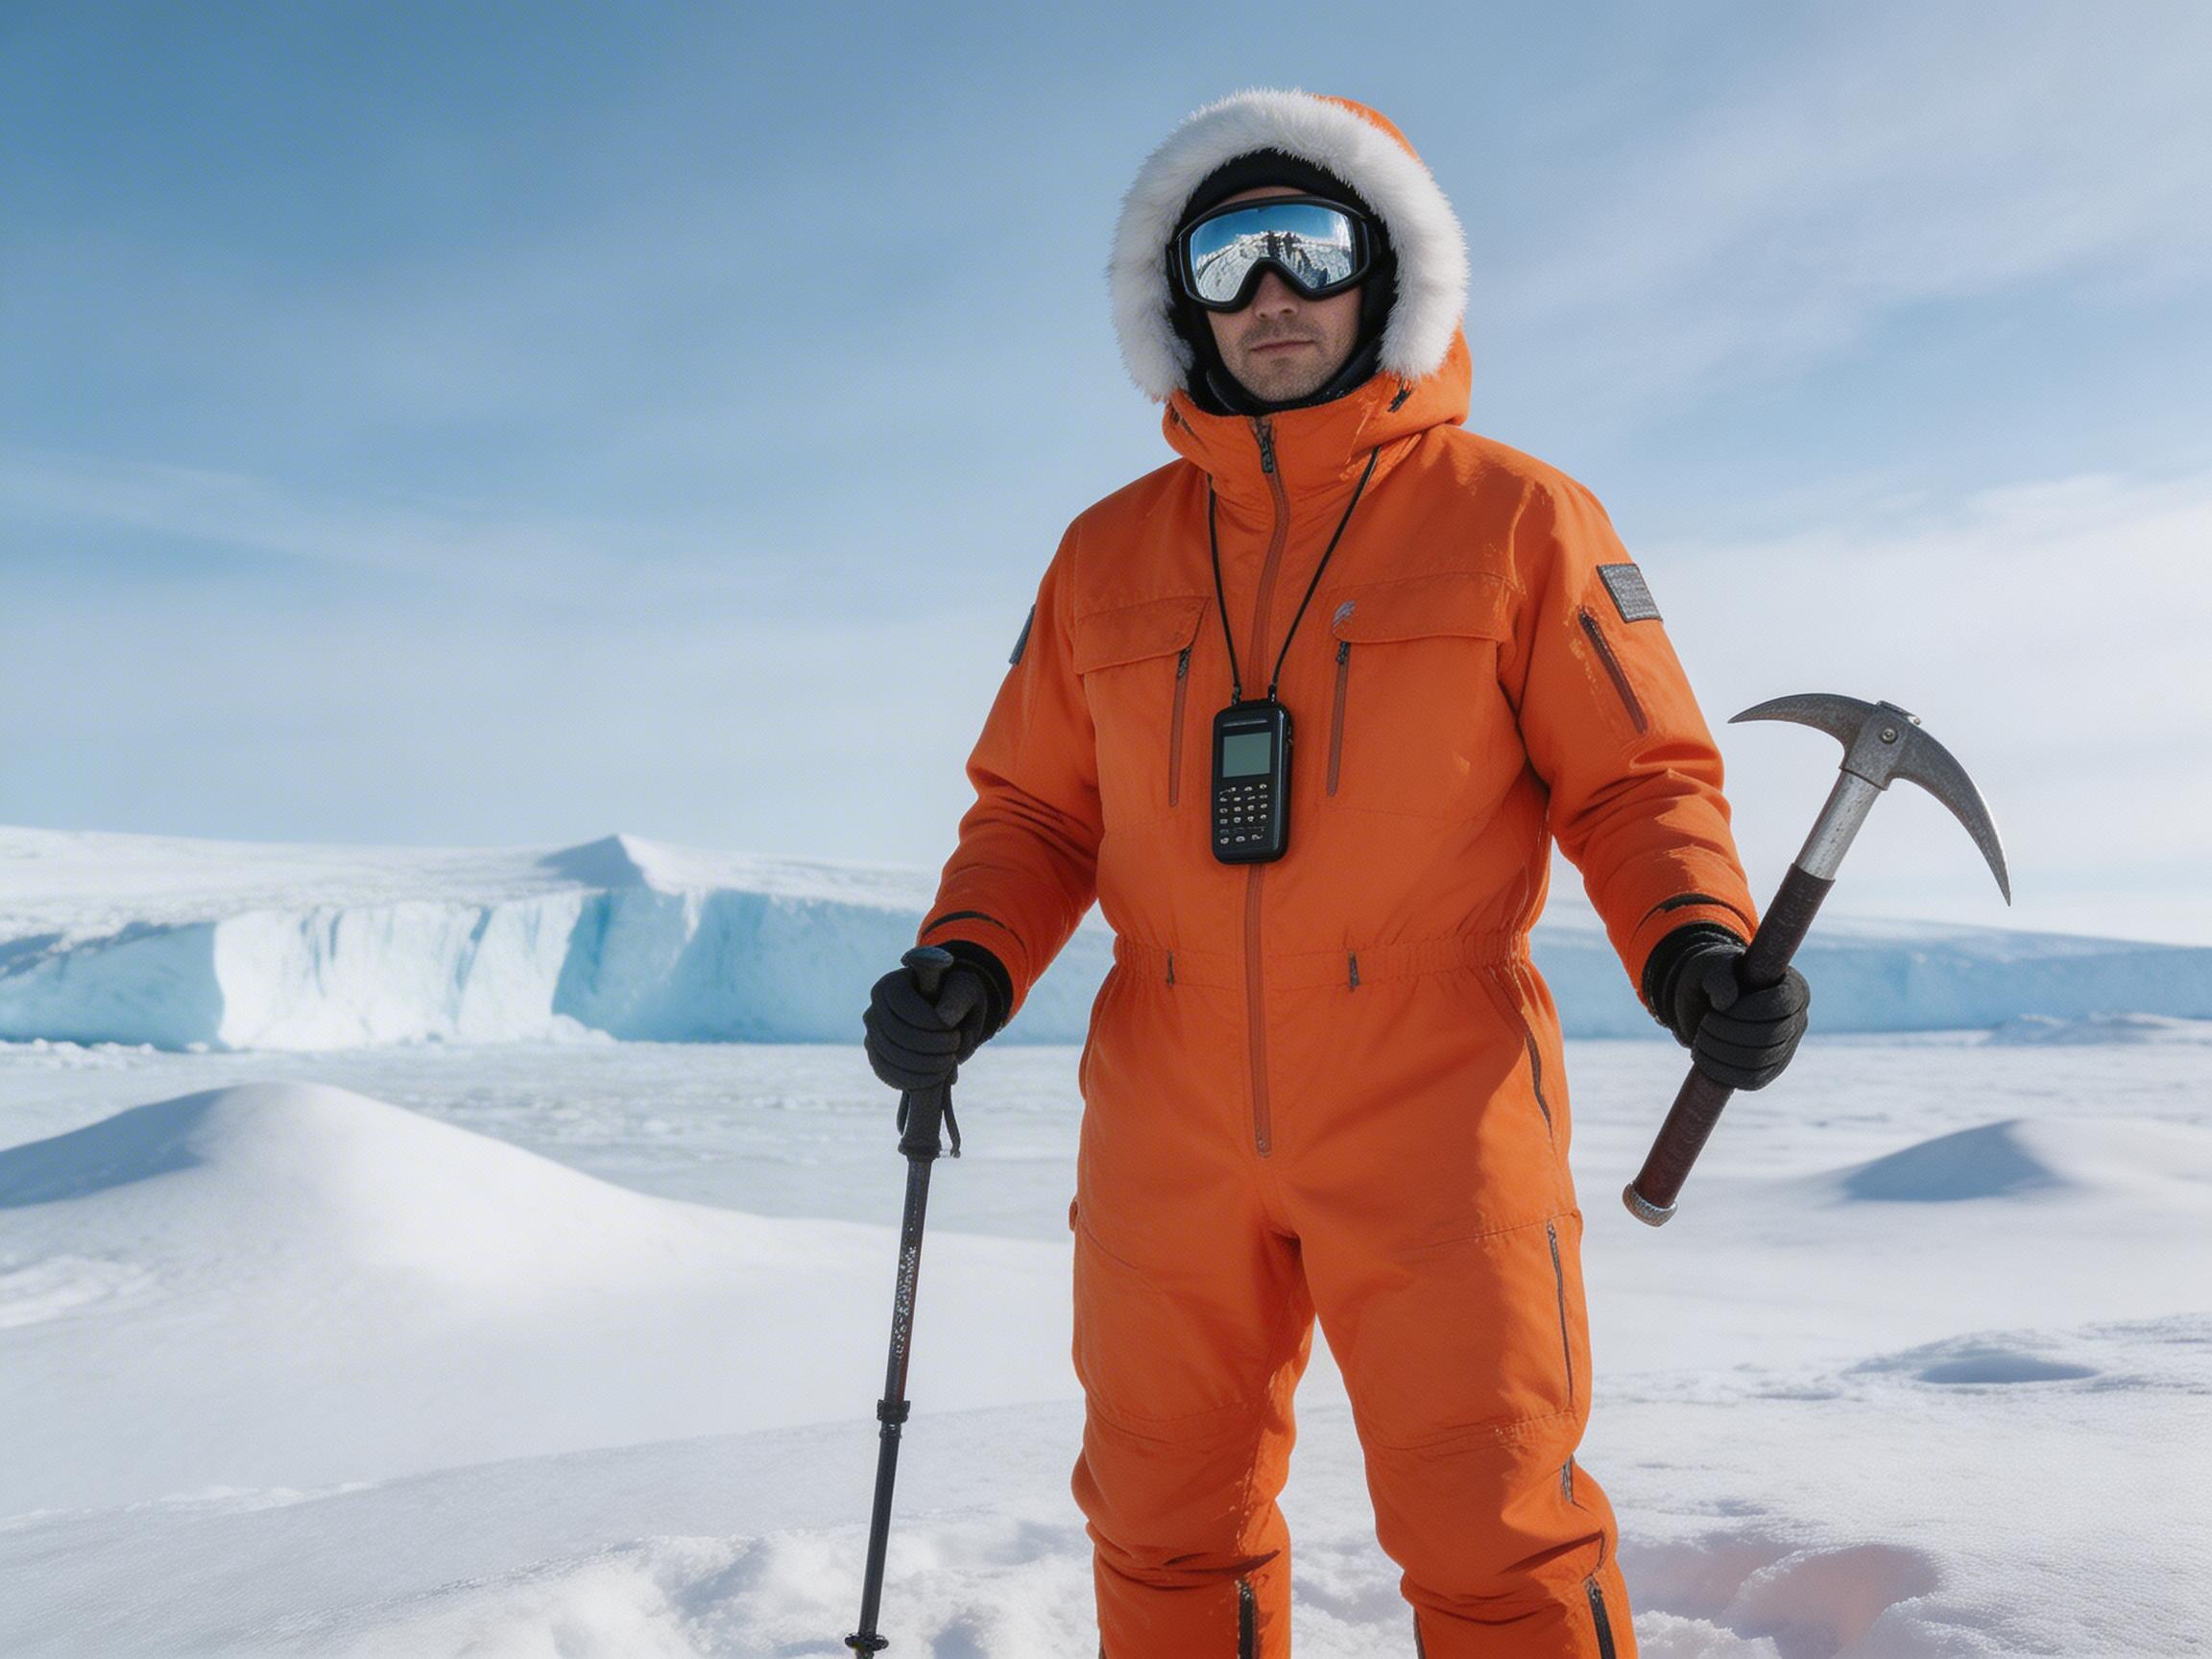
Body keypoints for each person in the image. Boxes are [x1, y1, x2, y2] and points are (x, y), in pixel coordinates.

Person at [863, 89, 1810, 1659]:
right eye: (1229, 257)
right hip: (1163, 1104)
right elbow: (1034, 812)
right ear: (1178, 301)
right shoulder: (1105, 554)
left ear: (1386, 276)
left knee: (1496, 1532)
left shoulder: (1520, 519)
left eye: (1308, 249)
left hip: (1433, 1098)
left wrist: (1694, 940)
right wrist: (966, 961)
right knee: (1164, 1528)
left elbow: (1638, 778)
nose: (1272, 296)